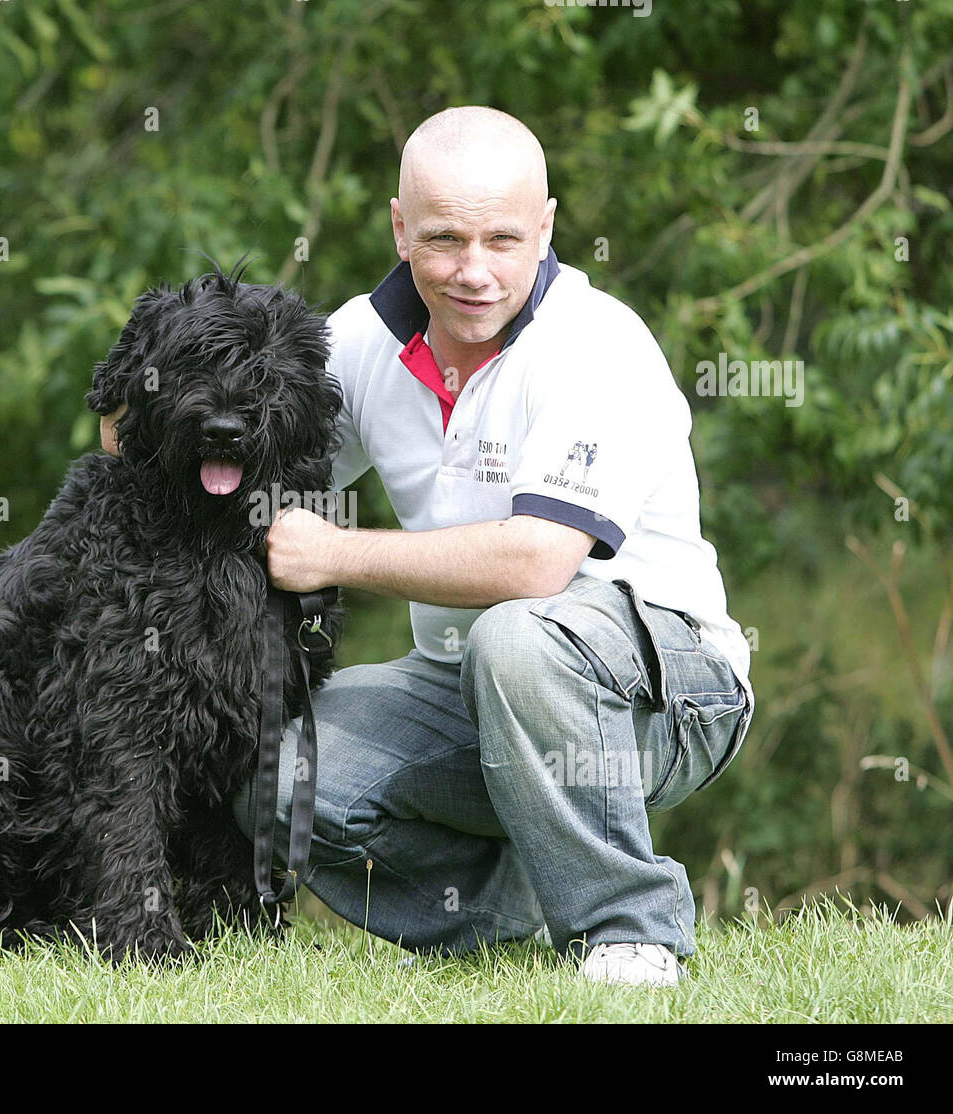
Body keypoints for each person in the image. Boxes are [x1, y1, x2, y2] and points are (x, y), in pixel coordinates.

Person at [100, 106, 753, 986]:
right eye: (445, 239)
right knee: (267, 767)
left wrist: (334, 554)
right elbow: (228, 442)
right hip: (464, 694)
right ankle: (505, 909)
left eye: (503, 239)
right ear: (400, 229)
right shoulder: (364, 343)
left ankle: (626, 929)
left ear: (548, 228)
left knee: (516, 636)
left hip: (669, 692)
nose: (474, 271)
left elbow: (536, 564)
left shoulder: (598, 347)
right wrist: (150, 394)